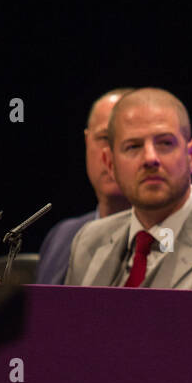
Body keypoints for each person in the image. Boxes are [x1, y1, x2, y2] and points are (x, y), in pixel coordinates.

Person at [64, 88, 192, 289]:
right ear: (110, 164)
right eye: (133, 146)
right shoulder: (88, 241)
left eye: (165, 143)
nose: (150, 158)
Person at [36, 89, 134, 285]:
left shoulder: (167, 240)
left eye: (129, 143)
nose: (112, 154)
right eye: (105, 138)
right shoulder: (62, 236)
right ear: (87, 141)